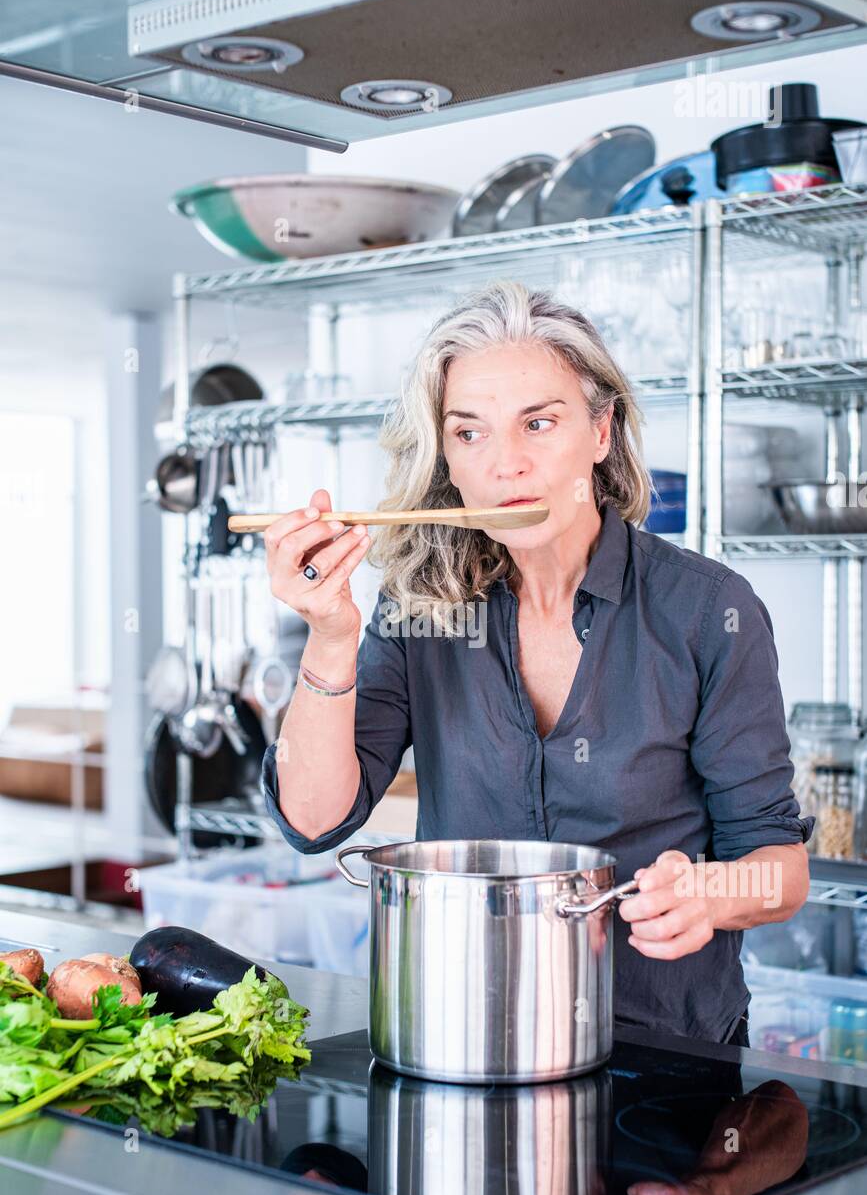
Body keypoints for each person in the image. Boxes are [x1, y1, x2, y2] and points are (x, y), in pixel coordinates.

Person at [260, 279, 814, 1046]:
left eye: (538, 423)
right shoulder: (421, 607)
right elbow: (313, 820)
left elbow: (779, 873)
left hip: (665, 1054)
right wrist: (328, 634)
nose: (504, 466)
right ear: (445, 455)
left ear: (599, 432)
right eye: (469, 433)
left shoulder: (706, 612)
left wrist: (711, 894)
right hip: (460, 1038)